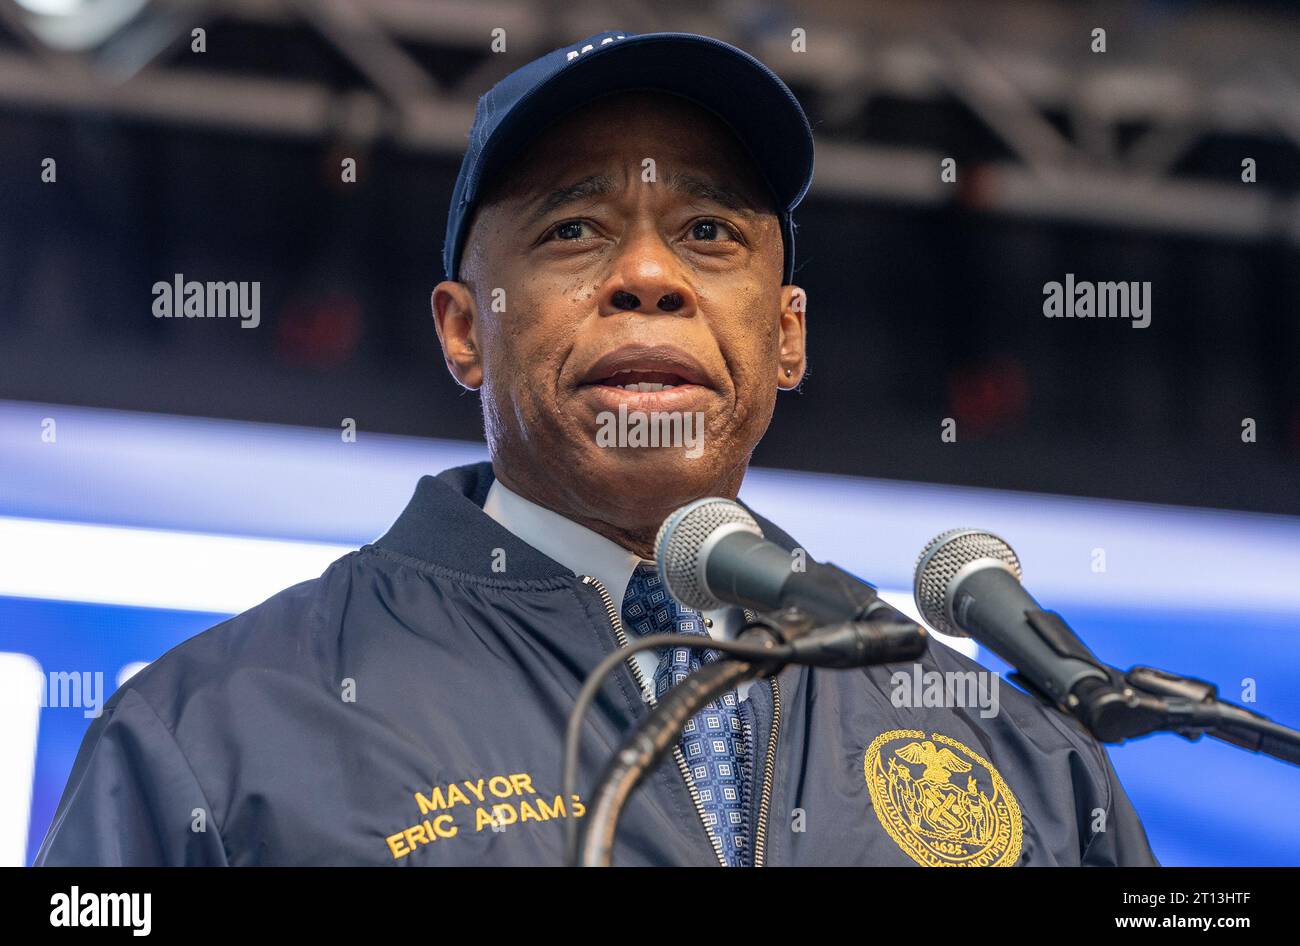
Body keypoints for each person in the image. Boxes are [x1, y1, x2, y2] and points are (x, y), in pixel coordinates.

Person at [36, 30, 1157, 866]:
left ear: (787, 336)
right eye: (572, 229)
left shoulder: (1021, 756)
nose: (650, 275)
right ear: (465, 331)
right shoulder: (215, 730)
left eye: (709, 233)